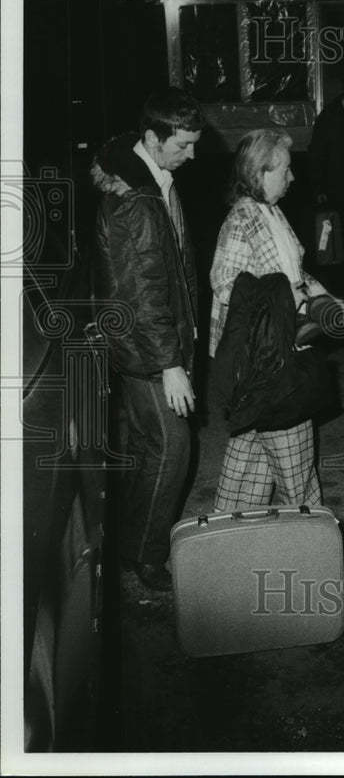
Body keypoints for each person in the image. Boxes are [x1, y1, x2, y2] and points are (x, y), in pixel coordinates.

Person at [91, 87, 205, 591]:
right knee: (172, 448)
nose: (193, 154)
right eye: (183, 145)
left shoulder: (154, 178)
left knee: (145, 446)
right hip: (147, 350)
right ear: (153, 138)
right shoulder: (136, 198)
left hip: (148, 344)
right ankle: (147, 555)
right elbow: (143, 290)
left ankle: (122, 542)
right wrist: (170, 363)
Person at [209, 129, 328, 512]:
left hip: (264, 365)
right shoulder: (240, 221)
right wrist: (286, 299)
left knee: (248, 466)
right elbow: (225, 285)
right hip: (265, 363)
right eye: (285, 170)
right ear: (260, 172)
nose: (292, 178)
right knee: (298, 471)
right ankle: (314, 541)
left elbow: (293, 271)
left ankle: (228, 539)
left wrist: (322, 296)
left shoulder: (272, 212)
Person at [306, 65, 344, 296]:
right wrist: (319, 188)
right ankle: (340, 289)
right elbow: (317, 155)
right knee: (337, 240)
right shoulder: (331, 115)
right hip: (336, 189)